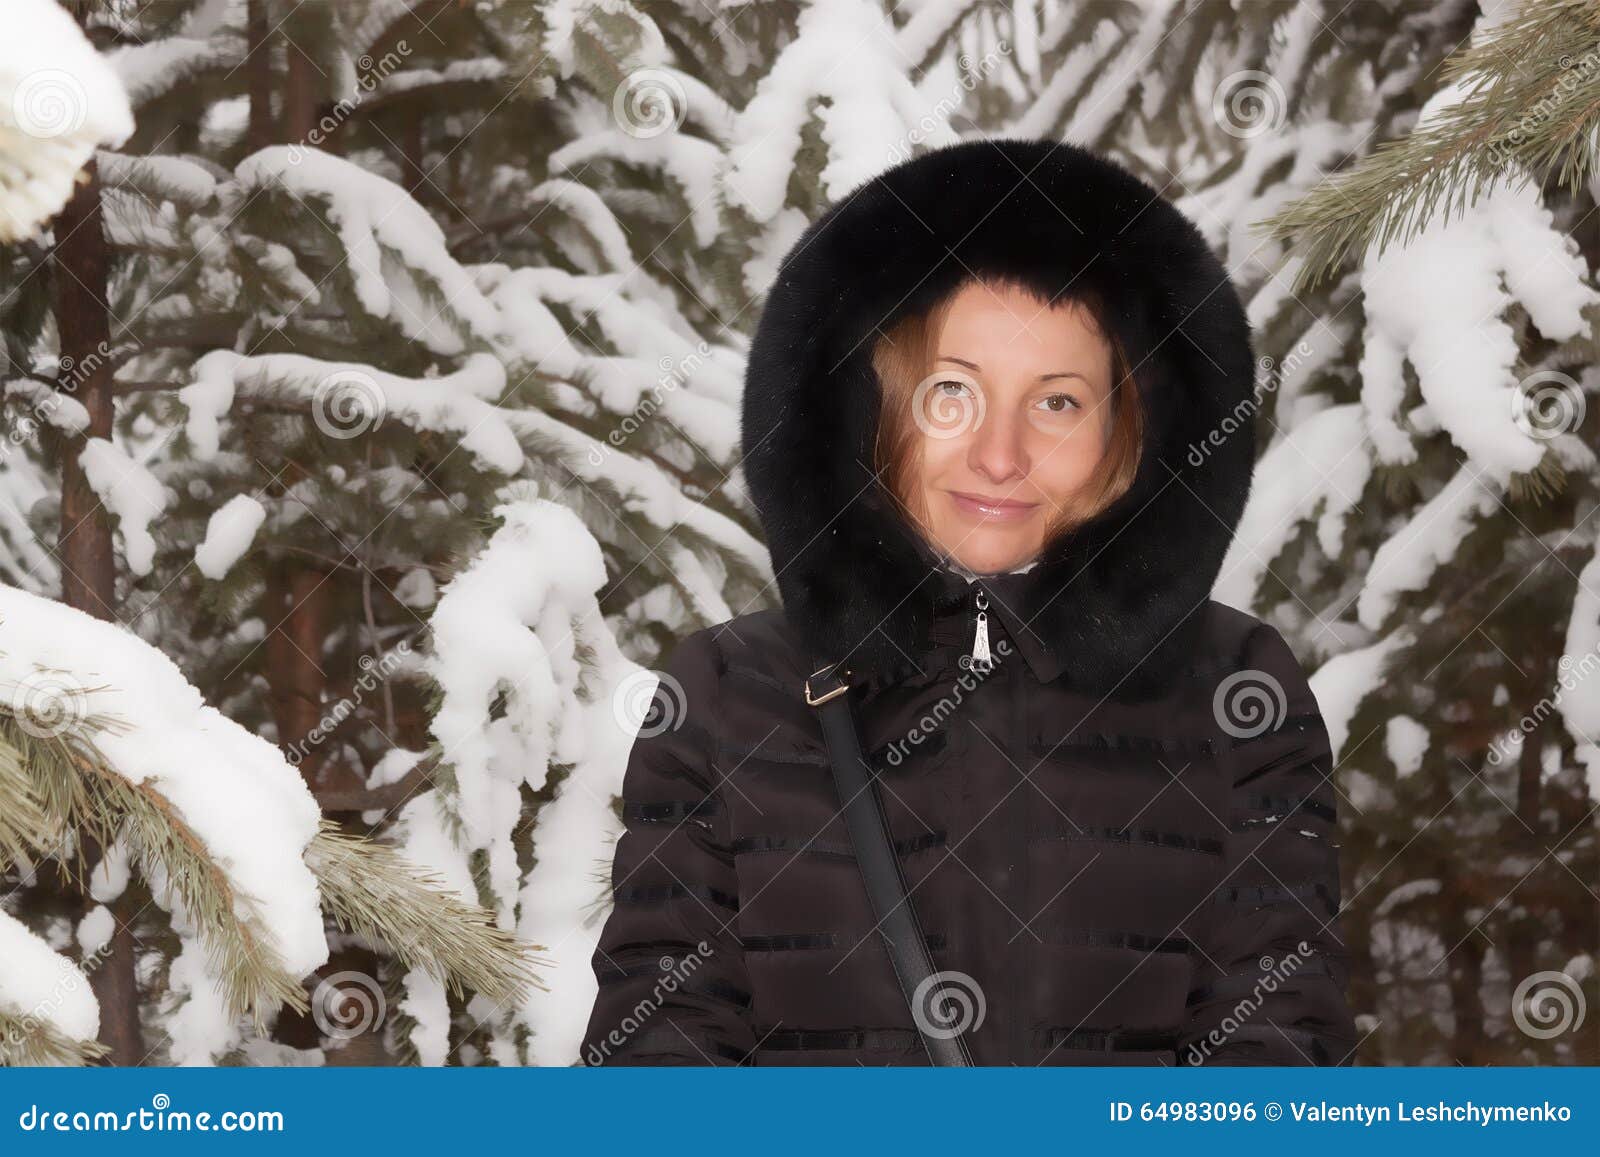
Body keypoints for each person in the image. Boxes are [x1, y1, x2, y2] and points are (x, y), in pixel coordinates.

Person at [580, 136, 1359, 1066]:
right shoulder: (725, 688)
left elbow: (1276, 1047)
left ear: (1132, 430)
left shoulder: (1237, 689)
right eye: (950, 392)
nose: (1000, 455)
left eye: (1058, 402)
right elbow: (662, 1048)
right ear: (865, 405)